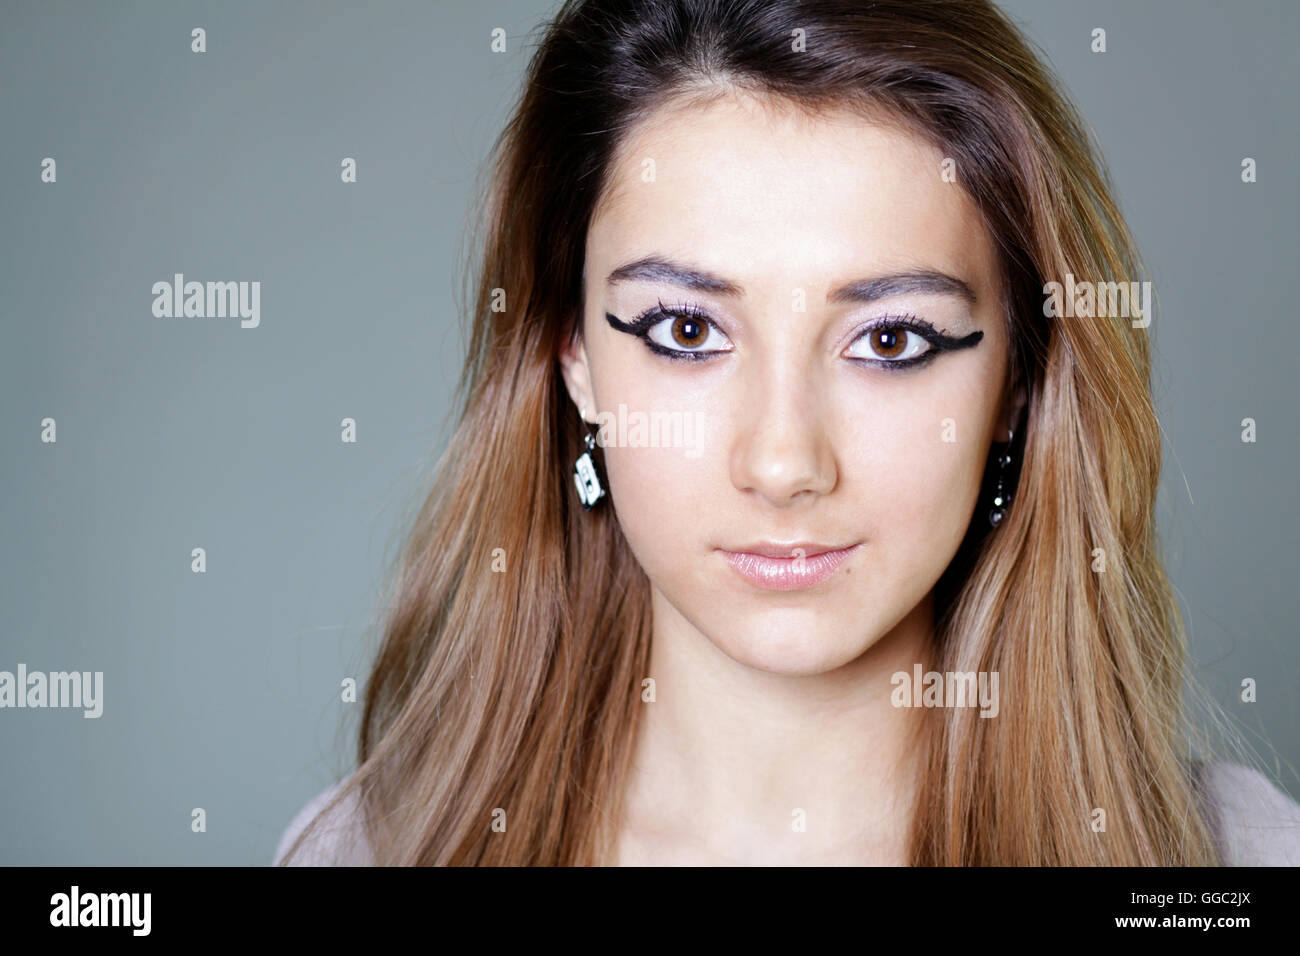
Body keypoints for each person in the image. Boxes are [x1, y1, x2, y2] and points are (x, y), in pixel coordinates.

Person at [275, 0, 1300, 866]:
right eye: (686, 330)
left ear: (1018, 383)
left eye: (890, 339)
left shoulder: (1230, 856)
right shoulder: (369, 851)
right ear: (570, 353)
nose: (782, 462)